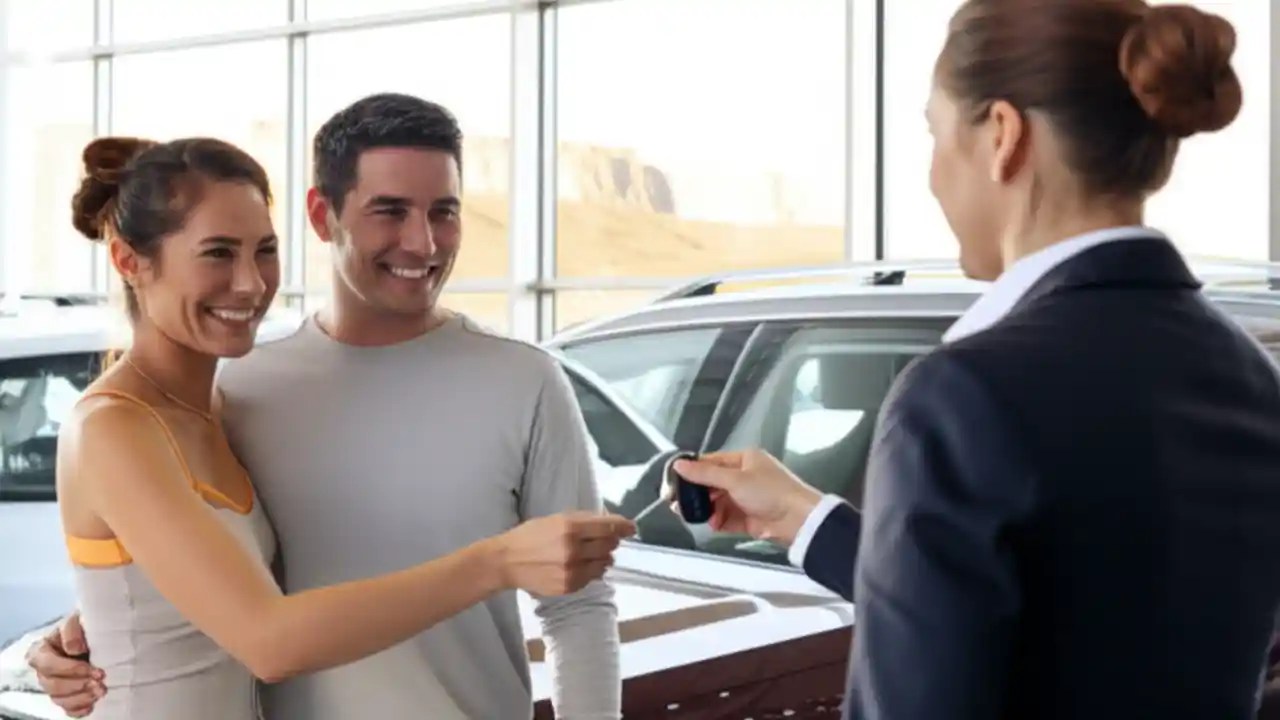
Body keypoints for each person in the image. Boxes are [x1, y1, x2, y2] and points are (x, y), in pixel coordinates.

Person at [675, 2, 1280, 719]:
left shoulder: (965, 394)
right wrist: (808, 519)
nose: (932, 174)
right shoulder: (1248, 377)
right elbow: (1085, 615)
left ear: (1002, 135)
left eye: (935, 132)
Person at [30, 96, 633, 720]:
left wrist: (103, 627)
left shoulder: (525, 381)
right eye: (390, 211)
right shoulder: (243, 390)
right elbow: (242, 624)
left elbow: (581, 608)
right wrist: (95, 631)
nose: (422, 242)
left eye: (444, 211)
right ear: (323, 216)